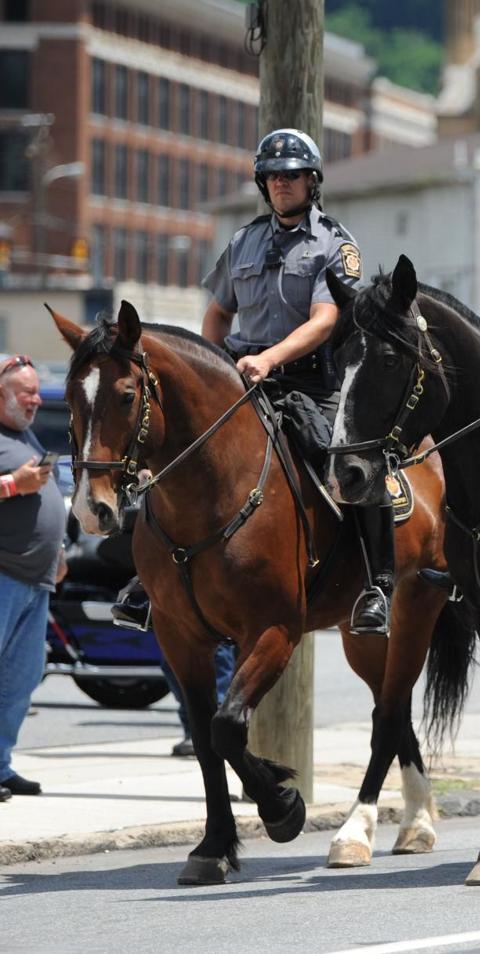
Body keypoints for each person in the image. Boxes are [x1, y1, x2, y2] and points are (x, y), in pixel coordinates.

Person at [113, 128, 394, 635]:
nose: (282, 184)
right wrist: (212, 361)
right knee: (171, 455)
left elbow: (325, 319)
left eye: (292, 176)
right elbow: (218, 311)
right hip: (241, 379)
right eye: (273, 177)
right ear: (263, 186)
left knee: (353, 462)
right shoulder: (243, 241)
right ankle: (147, 581)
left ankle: (378, 585)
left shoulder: (335, 241)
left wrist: (269, 358)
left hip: (312, 383)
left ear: (312, 181)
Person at [0, 356, 66, 799]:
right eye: (27, 393)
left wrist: (57, 549)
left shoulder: (20, 433)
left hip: (34, 580)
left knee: (22, 677)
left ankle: (1, 765)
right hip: (4, 574)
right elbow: (17, 486)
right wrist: (11, 485)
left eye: (36, 391)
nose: (37, 399)